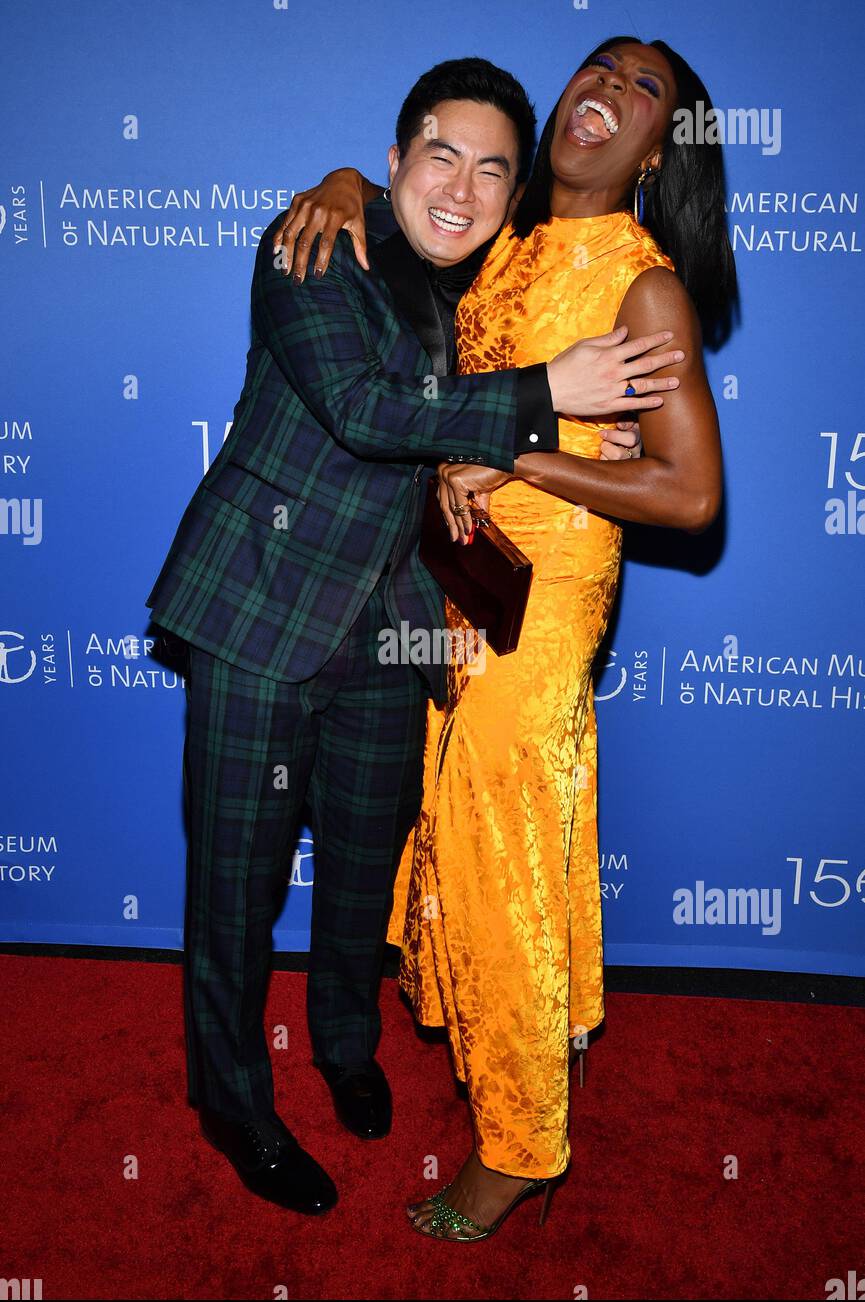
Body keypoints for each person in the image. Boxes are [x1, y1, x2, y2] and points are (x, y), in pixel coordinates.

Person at [144, 57, 682, 1217]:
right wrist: (552, 392)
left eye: (495, 168)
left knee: (360, 875)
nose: (465, 186)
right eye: (440, 155)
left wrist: (579, 435)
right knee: (231, 894)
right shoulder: (316, 246)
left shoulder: (490, 280)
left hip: (396, 633)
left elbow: (508, 416)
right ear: (393, 163)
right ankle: (234, 1103)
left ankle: (343, 1043)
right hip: (258, 609)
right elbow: (369, 411)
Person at [272, 35, 736, 1239]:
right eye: (599, 68)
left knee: (505, 883)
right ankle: (502, 1058)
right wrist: (342, 187)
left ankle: (523, 1147)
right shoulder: (510, 236)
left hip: (538, 621)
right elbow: (426, 205)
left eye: (647, 91)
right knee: (474, 860)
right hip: (455, 596)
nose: (609, 92)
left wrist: (521, 454)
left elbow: (690, 496)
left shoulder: (642, 283)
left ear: (661, 149)